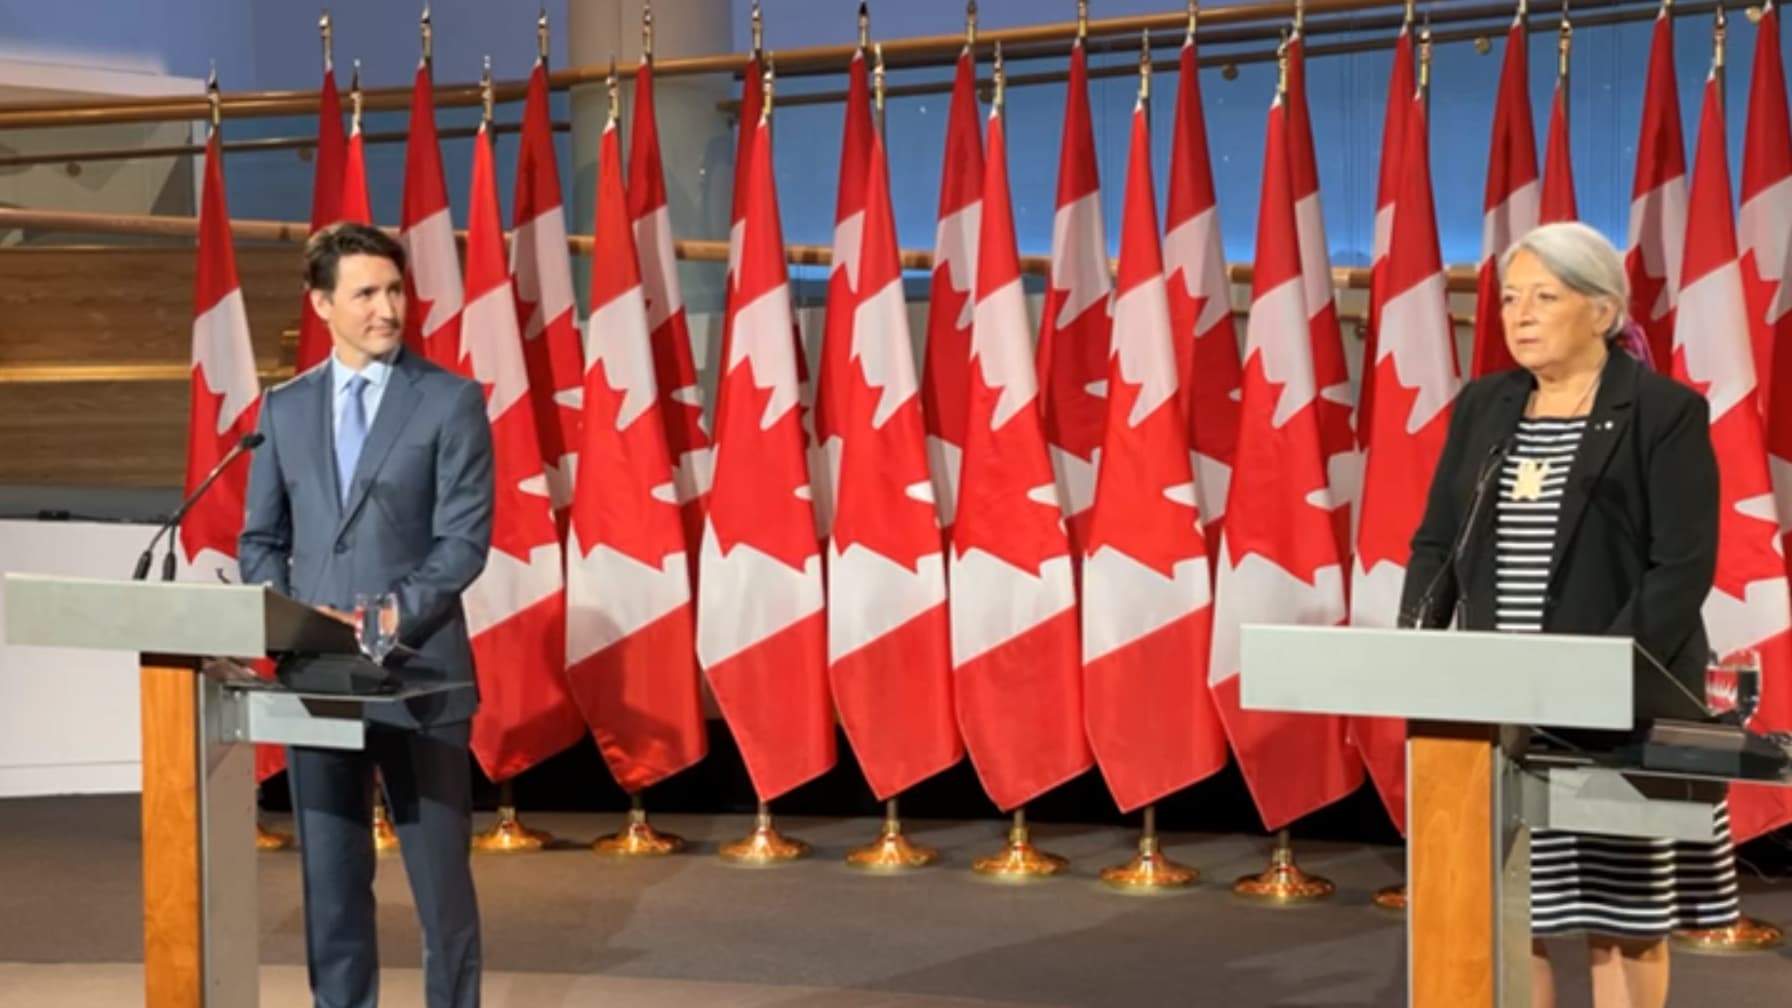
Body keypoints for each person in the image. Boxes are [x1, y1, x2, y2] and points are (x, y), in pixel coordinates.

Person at [1400, 221, 1740, 1008]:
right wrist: (1417, 648)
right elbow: (1437, 540)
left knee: (1623, 918)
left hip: (1621, 700)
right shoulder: (1486, 405)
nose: (1519, 315)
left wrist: (1598, 675)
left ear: (1602, 310)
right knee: (1528, 906)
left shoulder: (1662, 410)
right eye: (1511, 298)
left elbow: (1681, 566)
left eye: (1544, 297)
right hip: (1503, 702)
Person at [239, 221, 494, 1008]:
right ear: (322, 304)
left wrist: (383, 617)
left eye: (394, 290)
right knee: (333, 880)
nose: (387, 308)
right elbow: (260, 539)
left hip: (421, 678)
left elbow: (463, 542)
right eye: (366, 293)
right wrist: (290, 613)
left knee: (441, 888)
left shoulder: (449, 400)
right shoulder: (284, 410)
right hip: (317, 676)